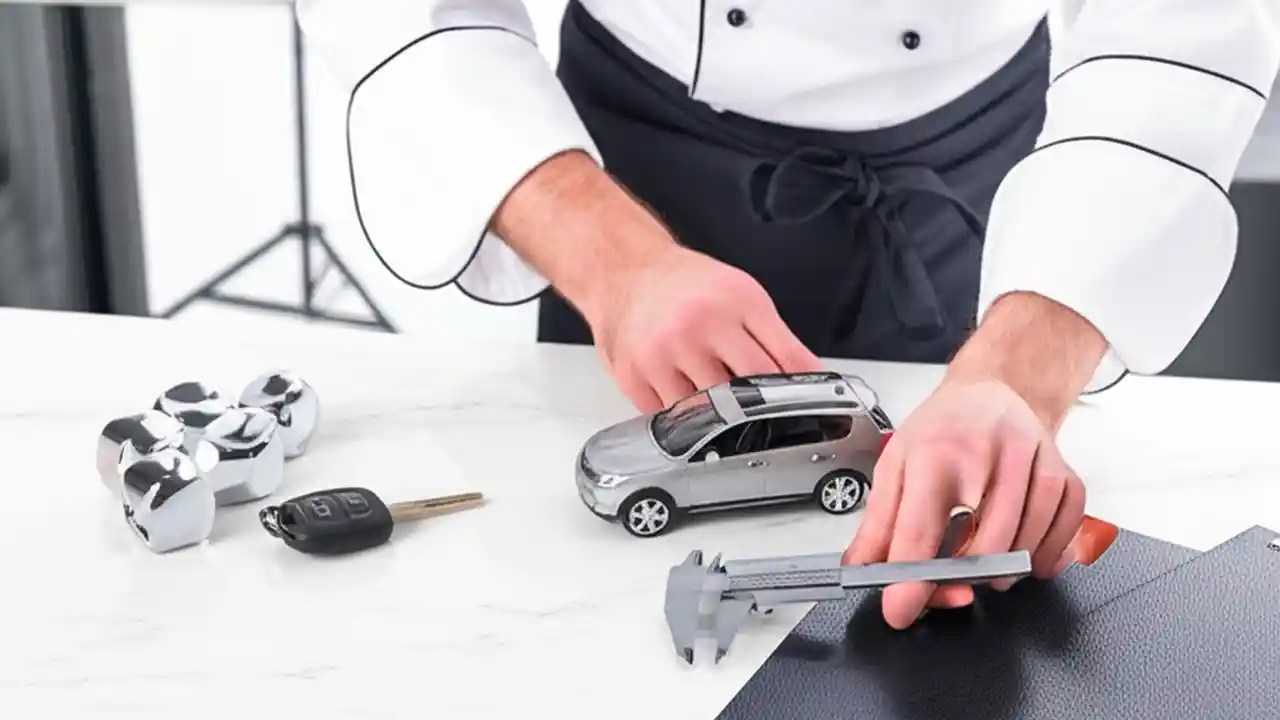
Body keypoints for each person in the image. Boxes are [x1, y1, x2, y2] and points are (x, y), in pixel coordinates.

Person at [296, 0, 1280, 628]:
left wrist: (1018, 370)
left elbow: (1181, 26)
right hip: (634, 163)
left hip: (985, 179)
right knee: (595, 620)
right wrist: (606, 254)